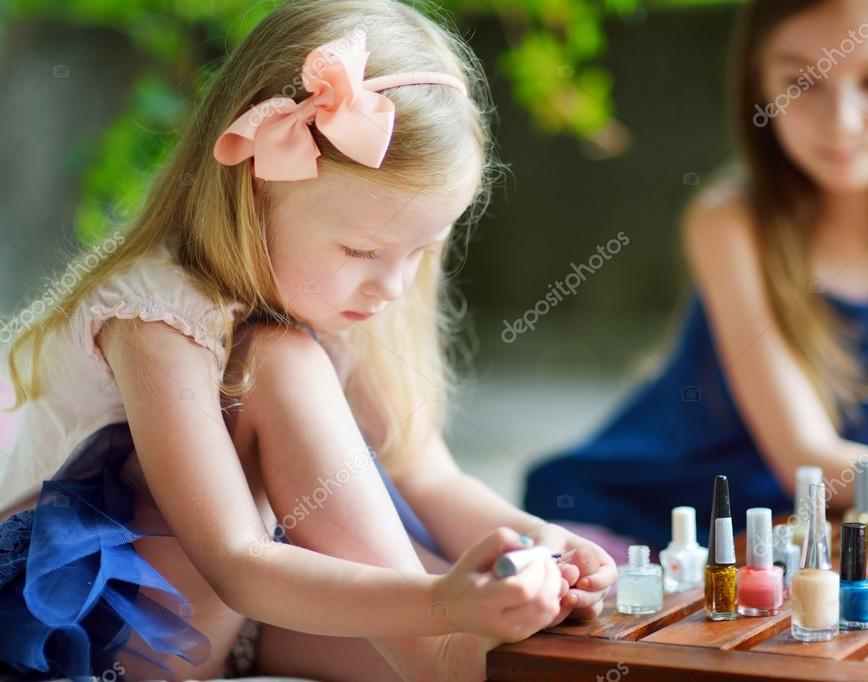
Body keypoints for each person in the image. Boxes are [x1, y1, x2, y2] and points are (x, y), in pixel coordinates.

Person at [0, 1, 615, 679]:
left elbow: (427, 475)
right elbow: (236, 561)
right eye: (361, 250)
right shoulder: (156, 314)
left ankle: (452, 640)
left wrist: (544, 546)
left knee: (508, 626)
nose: (392, 285)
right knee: (282, 365)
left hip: (248, 624)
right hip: (104, 631)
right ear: (251, 195)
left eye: (423, 250)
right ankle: (434, 652)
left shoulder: (357, 297)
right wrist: (440, 605)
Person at [525, 0, 868, 563]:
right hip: (646, 522)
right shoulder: (729, 222)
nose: (843, 122)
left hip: (809, 534)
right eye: (803, 83)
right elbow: (805, 457)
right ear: (759, 85)